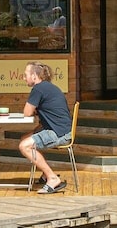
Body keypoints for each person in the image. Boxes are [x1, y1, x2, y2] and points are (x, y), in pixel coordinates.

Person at [18, 62, 74, 194]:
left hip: (59, 133)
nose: (24, 78)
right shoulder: (48, 87)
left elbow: (27, 113)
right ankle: (45, 174)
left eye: (25, 75)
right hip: (62, 130)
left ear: (34, 75)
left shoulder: (38, 89)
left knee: (24, 146)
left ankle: (52, 177)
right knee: (25, 138)